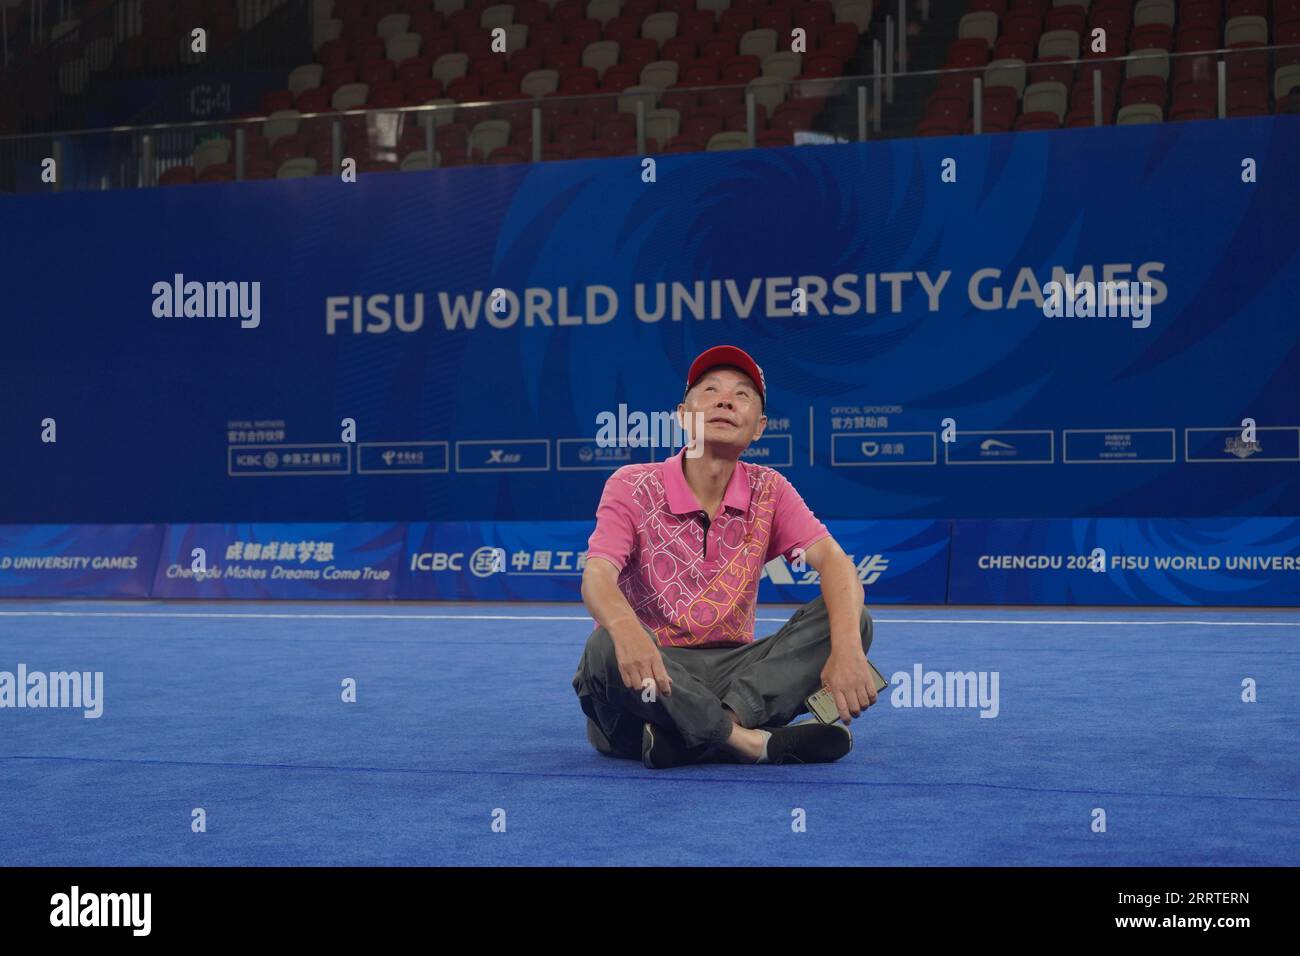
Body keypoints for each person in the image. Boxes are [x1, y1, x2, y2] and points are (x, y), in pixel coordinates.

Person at [572, 345, 878, 769]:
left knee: (849, 618)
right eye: (710, 389)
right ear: (683, 415)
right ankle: (748, 742)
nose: (724, 400)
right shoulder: (632, 485)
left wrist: (847, 650)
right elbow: (597, 575)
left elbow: (835, 563)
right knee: (603, 645)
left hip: (733, 673)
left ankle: (693, 735)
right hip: (649, 671)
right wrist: (627, 629)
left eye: (742, 395)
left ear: (759, 428)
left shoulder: (769, 489)